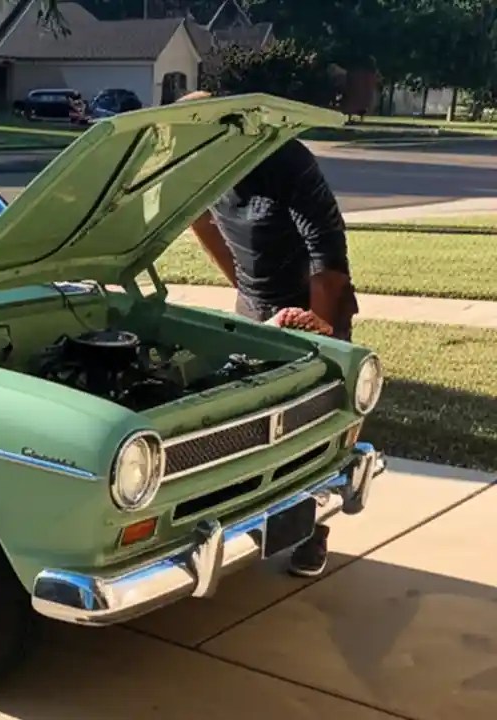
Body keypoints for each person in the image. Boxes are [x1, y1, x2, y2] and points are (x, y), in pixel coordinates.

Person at [179, 91, 360, 578]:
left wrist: (316, 335)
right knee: (252, 426)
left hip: (316, 305)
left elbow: (327, 254)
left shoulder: (287, 161)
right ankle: (253, 516)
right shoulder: (205, 166)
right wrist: (246, 290)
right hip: (257, 309)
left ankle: (313, 529)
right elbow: (198, 218)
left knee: (309, 428)